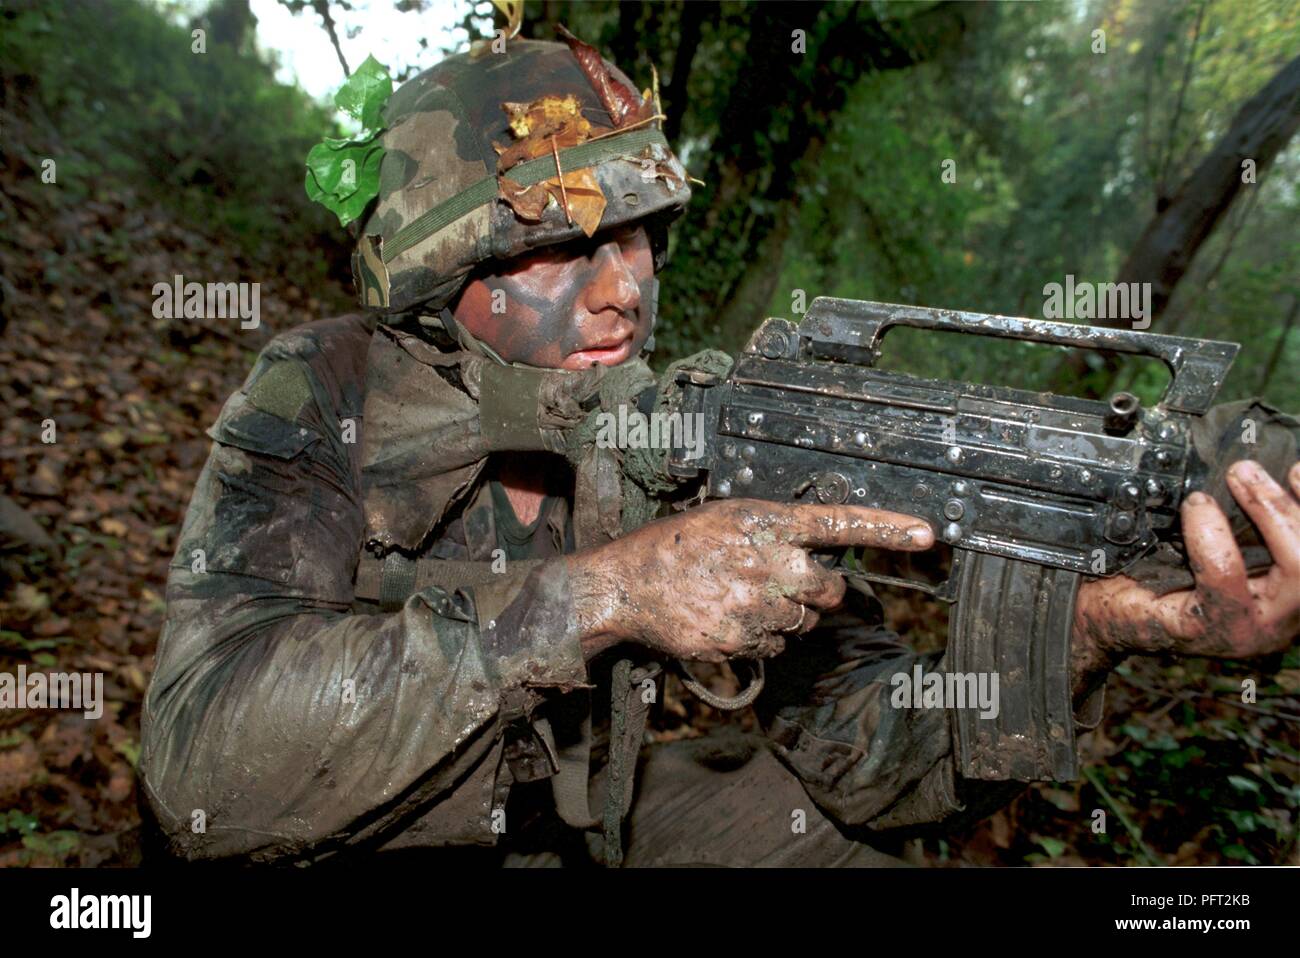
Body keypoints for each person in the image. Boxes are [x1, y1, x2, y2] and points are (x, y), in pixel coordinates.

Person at [140, 35, 1300, 867]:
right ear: (443, 278)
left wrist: (1092, 628)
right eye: (560, 252)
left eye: (641, 238)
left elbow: (874, 756)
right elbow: (201, 771)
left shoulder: (684, 436)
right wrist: (604, 597)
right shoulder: (324, 389)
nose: (622, 293)